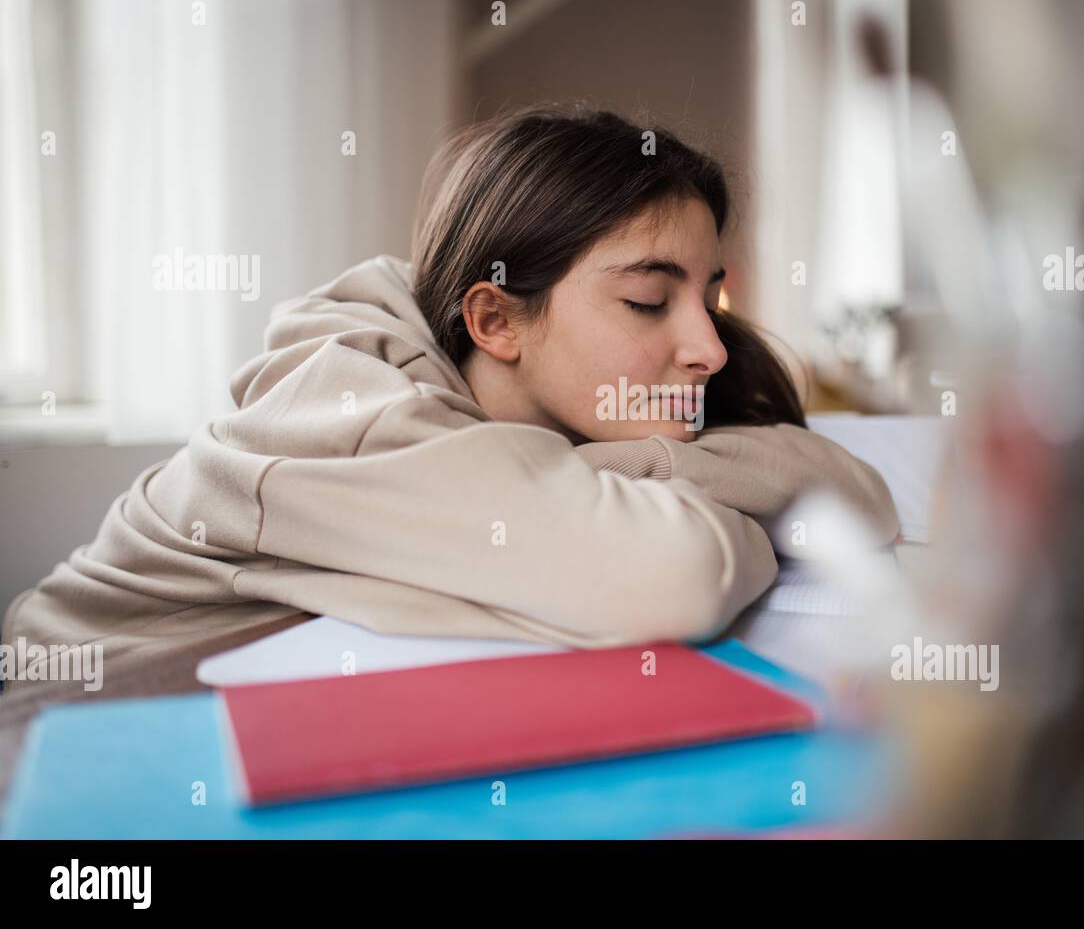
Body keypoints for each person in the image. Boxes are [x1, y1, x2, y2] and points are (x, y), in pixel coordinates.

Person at [1, 104, 899, 678]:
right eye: (646, 301)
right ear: (496, 320)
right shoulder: (340, 411)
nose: (705, 347)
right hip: (57, 755)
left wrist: (617, 474)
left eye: (709, 296)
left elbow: (853, 490)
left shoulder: (568, 392)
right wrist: (656, 489)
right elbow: (676, 574)